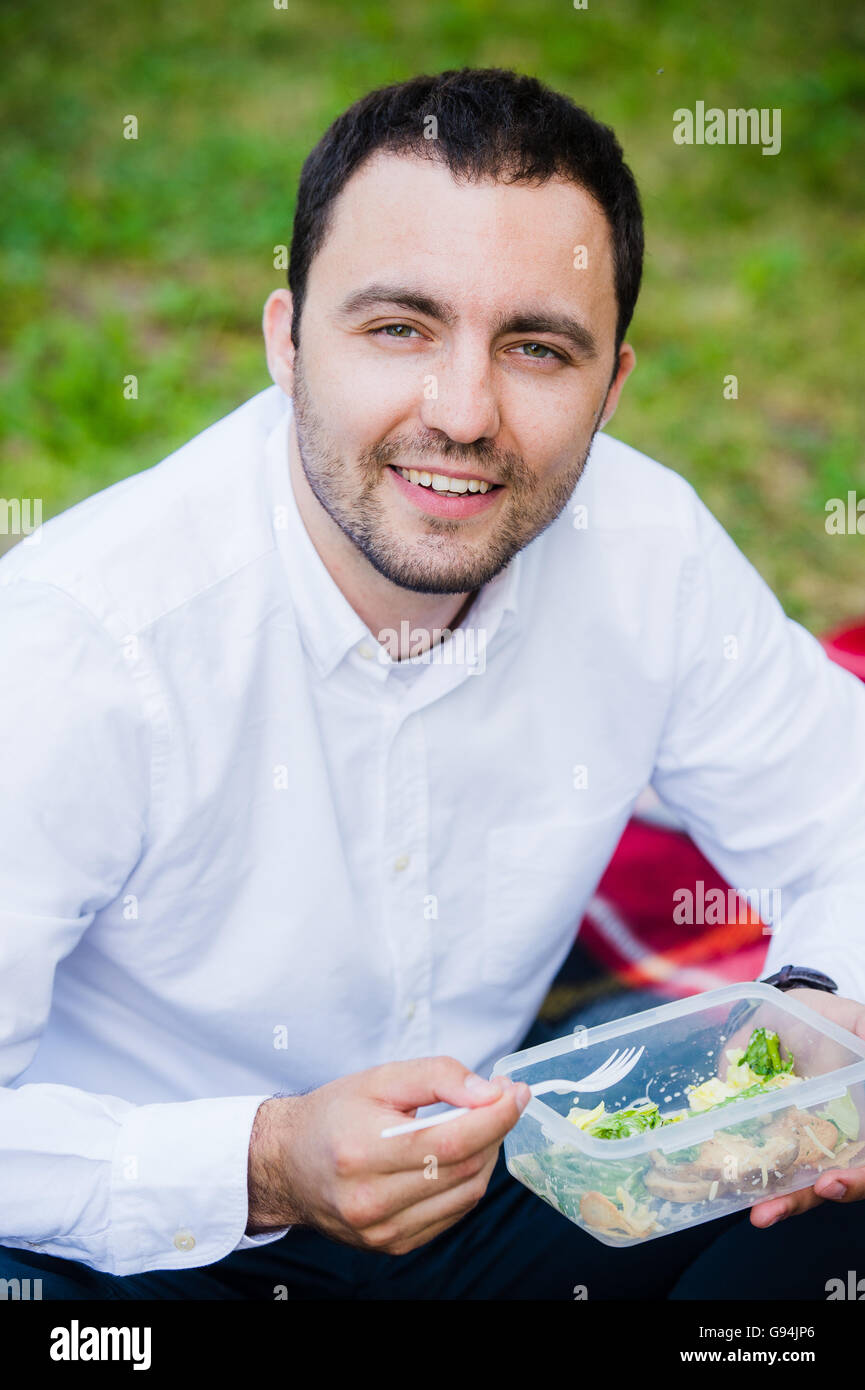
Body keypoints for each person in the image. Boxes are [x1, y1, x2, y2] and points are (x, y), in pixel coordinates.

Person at [2, 68, 864, 1302]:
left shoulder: (647, 552)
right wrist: (261, 1162)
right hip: (139, 1246)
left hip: (509, 1181)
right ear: (285, 343)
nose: (462, 414)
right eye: (398, 327)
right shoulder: (83, 645)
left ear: (610, 388)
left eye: (535, 347)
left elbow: (848, 814)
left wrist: (828, 1008)